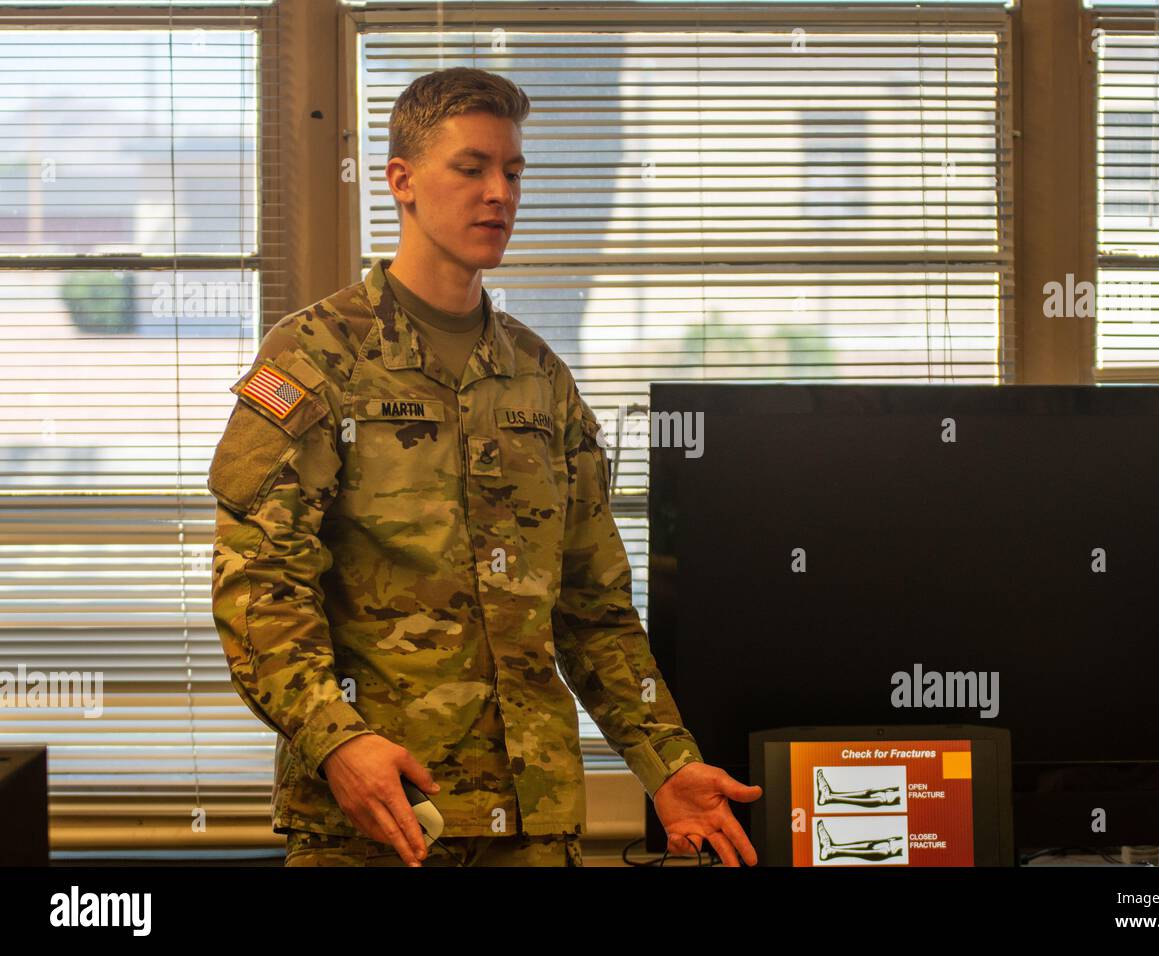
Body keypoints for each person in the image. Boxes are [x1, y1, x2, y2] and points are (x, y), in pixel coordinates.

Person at [208, 67, 761, 867]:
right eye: (471, 168)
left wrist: (668, 766)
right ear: (400, 180)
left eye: (512, 170)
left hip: (534, 829)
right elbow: (260, 586)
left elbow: (592, 607)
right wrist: (336, 742)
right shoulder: (315, 356)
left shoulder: (539, 377)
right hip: (380, 827)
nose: (499, 192)